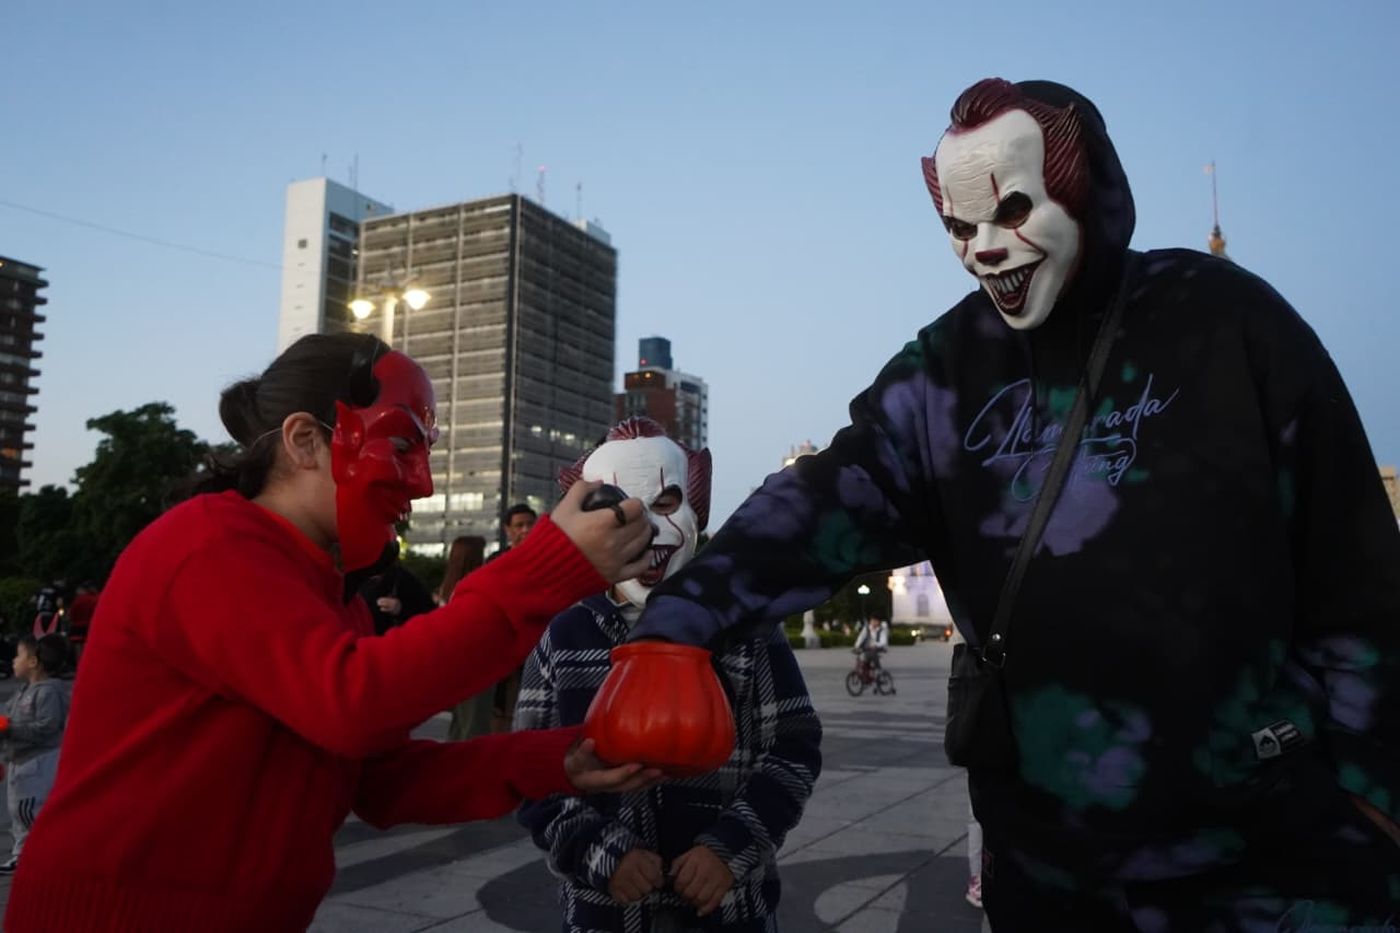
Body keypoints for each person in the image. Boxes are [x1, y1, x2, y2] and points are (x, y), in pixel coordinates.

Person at [630, 78, 1400, 928]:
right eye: (960, 227)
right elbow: (821, 502)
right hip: (1048, 875)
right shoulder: (947, 371)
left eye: (1013, 211)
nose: (984, 249)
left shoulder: (1225, 318)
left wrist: (1372, 790)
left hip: (1272, 868)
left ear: (1091, 187)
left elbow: (1357, 573)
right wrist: (679, 620)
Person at [3, 333, 662, 933]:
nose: (423, 483)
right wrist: (546, 568)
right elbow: (352, 701)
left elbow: (377, 777)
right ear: (304, 440)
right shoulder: (210, 544)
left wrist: (553, 760)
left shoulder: (324, 591)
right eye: (403, 444)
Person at [517, 418, 822, 932]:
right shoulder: (563, 636)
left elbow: (792, 748)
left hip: (729, 914)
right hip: (604, 915)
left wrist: (730, 847)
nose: (649, 528)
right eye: (617, 506)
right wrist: (596, 852)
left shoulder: (746, 629)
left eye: (664, 504)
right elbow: (530, 766)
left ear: (696, 511)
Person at [0, 634, 70, 873]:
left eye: (18, 655)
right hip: (20, 760)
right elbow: (7, 717)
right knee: (17, 811)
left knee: (30, 810)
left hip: (39, 761)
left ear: (33, 662)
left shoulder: (49, 692)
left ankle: (46, 851)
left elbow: (48, 727)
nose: (13, 661)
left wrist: (9, 727)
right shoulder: (23, 691)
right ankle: (22, 854)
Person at [486, 503, 539, 730]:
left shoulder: (544, 559)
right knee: (500, 707)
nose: (525, 530)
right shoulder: (497, 560)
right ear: (508, 529)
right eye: (519, 525)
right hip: (504, 642)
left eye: (529, 524)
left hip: (535, 642)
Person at [439, 535, 495, 741]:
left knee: (459, 725)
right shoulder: (474, 588)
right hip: (476, 664)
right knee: (474, 725)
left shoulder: (449, 589)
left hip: (456, 664)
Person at [357, 555, 436, 636]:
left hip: (395, 643)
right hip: (365, 642)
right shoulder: (354, 580)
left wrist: (401, 608)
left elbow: (429, 613)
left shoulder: (402, 579)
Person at [63, 582, 99, 668]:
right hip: (89, 627)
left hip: (77, 628)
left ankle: (80, 666)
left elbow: (70, 615)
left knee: (78, 649)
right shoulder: (94, 599)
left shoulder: (77, 600)